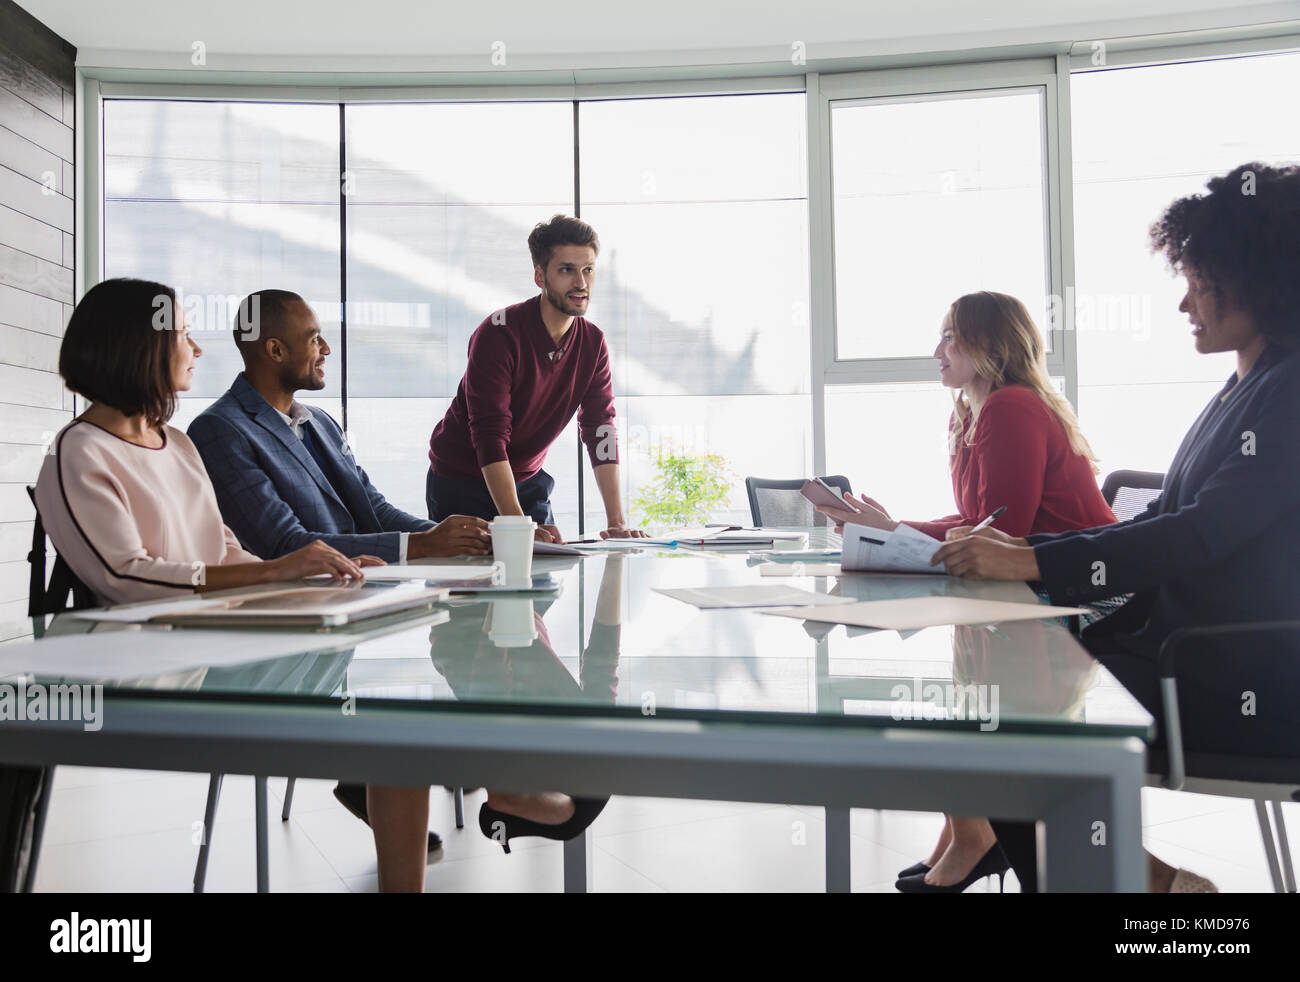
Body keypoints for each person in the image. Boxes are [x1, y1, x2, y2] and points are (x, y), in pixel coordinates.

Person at [932, 162, 1300, 893]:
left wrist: (1030, 563)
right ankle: (1150, 886)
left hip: (1235, 677)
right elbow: (1170, 519)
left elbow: (1198, 536)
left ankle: (1151, 891)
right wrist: (1029, 553)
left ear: (1255, 280)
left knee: (1002, 717)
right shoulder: (1244, 387)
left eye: (1198, 281)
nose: (1184, 303)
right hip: (1184, 651)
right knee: (995, 701)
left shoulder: (1287, 393)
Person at [815, 291, 1116, 891]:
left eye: (950, 337)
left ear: (989, 345)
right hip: (1031, 581)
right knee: (963, 677)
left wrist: (892, 531)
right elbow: (977, 518)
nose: (936, 351)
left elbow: (1003, 532)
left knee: (969, 691)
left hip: (1084, 595)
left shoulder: (1012, 407)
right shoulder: (971, 412)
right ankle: (971, 829)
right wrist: (888, 528)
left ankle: (977, 832)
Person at [187, 289, 492, 863]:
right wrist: (420, 547)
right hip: (288, 636)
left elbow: (375, 510)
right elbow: (287, 546)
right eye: (314, 339)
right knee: (415, 706)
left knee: (469, 638)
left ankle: (436, 763)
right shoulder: (222, 432)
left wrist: (466, 535)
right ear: (274, 349)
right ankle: (401, 766)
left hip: (360, 615)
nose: (327, 348)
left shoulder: (319, 422)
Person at [34, 278, 377, 608]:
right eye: (183, 335)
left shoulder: (177, 442)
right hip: (142, 651)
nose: (196, 349)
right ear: (138, 347)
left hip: (208, 638)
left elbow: (223, 549)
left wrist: (310, 576)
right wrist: (274, 570)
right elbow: (126, 577)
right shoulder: (80, 451)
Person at [426, 215, 647, 542]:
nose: (581, 283)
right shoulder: (498, 333)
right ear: (540, 276)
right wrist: (517, 528)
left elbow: (600, 427)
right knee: (471, 589)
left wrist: (616, 522)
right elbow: (489, 433)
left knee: (545, 578)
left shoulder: (593, 343)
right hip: (463, 482)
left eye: (588, 270)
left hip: (528, 483)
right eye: (566, 270)